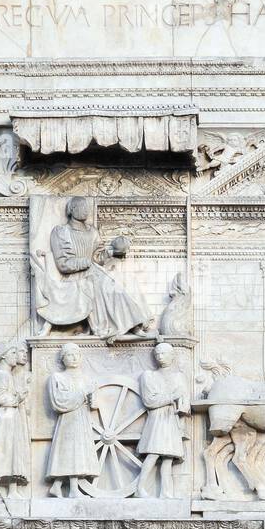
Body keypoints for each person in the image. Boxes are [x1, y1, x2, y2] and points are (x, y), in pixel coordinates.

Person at [32, 196, 154, 341]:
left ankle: (134, 323)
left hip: (93, 272)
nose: (86, 210)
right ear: (71, 210)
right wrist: (87, 263)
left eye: (87, 207)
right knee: (103, 285)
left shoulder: (92, 232)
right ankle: (126, 325)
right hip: (74, 277)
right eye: (82, 207)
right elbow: (63, 264)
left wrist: (114, 250)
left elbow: (98, 257)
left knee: (117, 285)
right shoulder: (61, 231)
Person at [134, 343, 189, 498]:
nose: (160, 357)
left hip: (172, 418)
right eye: (157, 354)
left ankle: (166, 492)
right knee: (154, 453)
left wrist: (182, 406)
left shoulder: (179, 377)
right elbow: (149, 401)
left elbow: (185, 400)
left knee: (168, 458)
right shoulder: (149, 376)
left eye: (164, 353)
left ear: (172, 356)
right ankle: (140, 487)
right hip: (157, 418)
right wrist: (172, 396)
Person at [45, 343, 99, 498]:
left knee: (78, 451)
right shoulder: (57, 378)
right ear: (63, 359)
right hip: (68, 420)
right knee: (71, 451)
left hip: (82, 419)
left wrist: (92, 397)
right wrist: (83, 393)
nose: (74, 358)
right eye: (69, 354)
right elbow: (59, 402)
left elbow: (94, 405)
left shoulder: (86, 378)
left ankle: (57, 486)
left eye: (77, 354)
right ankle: (74, 490)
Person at [0, 341, 31, 490]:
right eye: (13, 353)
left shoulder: (8, 375)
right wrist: (17, 399)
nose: (16, 356)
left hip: (12, 415)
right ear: (4, 356)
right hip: (5, 416)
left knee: (12, 452)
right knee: (2, 450)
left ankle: (12, 489)